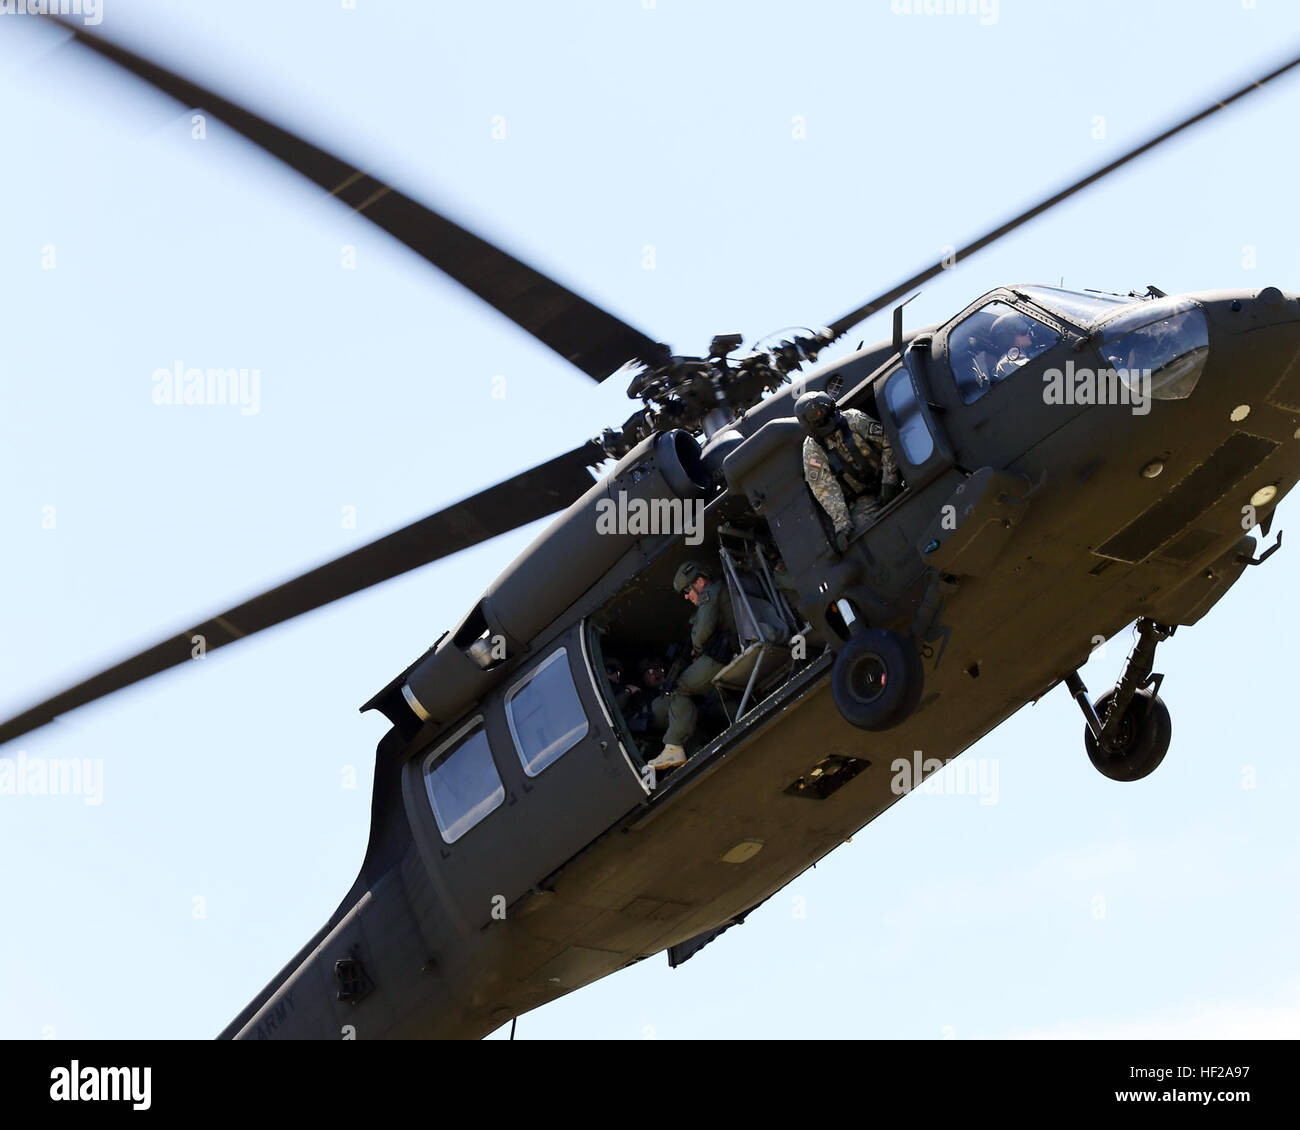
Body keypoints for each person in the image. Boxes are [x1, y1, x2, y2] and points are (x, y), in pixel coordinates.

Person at [646, 560, 738, 772]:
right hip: (734, 646)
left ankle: (674, 746)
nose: (687, 596)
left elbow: (702, 632)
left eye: (688, 590)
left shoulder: (710, 594)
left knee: (679, 687)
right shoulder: (720, 589)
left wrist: (696, 649)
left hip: (726, 654)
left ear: (700, 581)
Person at [796, 391, 899, 554]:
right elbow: (824, 489)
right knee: (867, 533)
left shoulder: (854, 419)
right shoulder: (812, 450)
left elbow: (888, 441)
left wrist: (889, 481)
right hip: (863, 498)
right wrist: (842, 525)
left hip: (889, 475)